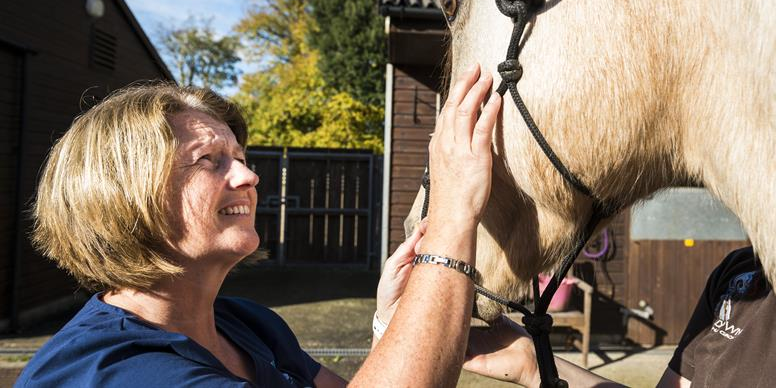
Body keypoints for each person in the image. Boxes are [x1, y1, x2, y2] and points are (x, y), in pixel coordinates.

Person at [16, 66, 543, 387]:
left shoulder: (247, 325)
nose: (248, 177)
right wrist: (453, 215)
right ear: (124, 193)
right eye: (209, 160)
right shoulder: (111, 371)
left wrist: (390, 324)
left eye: (241, 158)